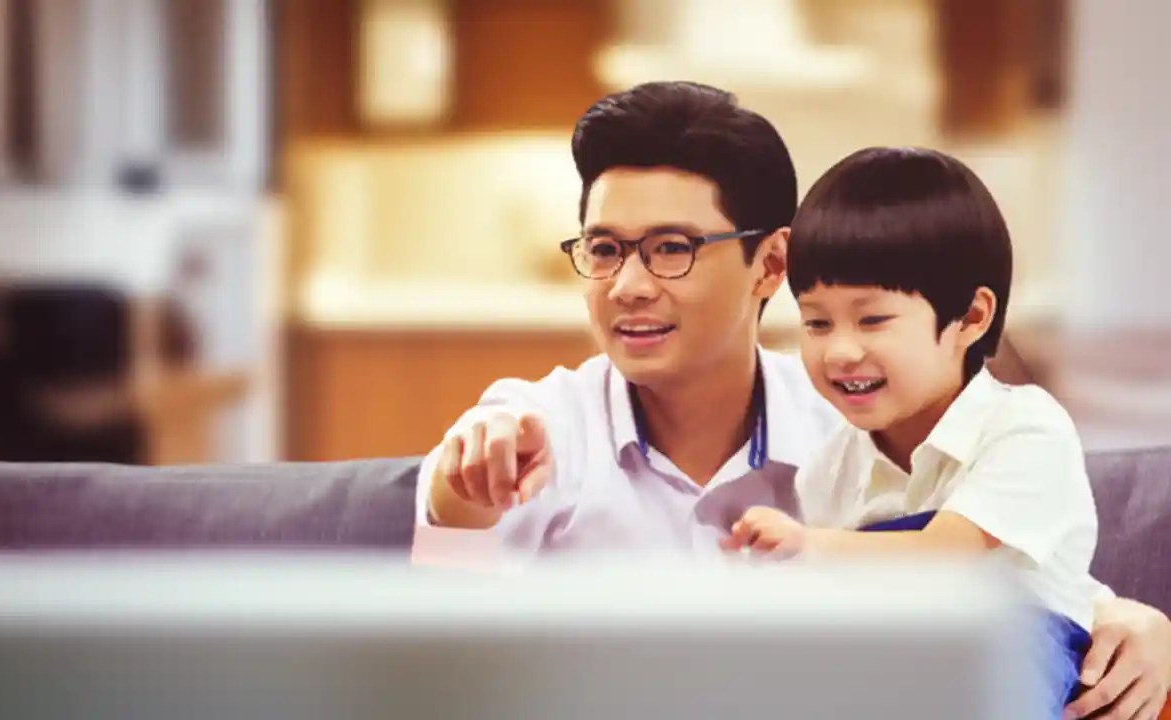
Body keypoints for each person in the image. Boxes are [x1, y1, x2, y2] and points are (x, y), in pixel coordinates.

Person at [415, 81, 1171, 719]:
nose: (629, 285)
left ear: (769, 262)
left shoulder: (848, 430)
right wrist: (461, 500)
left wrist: (1127, 618)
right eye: (606, 249)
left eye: (671, 248)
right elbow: (428, 655)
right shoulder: (535, 429)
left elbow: (992, 562)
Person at [721, 146, 1091, 714]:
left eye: (873, 320)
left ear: (971, 318)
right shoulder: (833, 466)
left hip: (1015, 653)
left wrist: (808, 545)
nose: (840, 350)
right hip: (890, 655)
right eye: (817, 322)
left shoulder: (1025, 429)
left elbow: (950, 552)